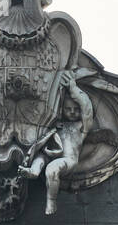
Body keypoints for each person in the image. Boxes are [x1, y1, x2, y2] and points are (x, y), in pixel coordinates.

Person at [18, 70, 95, 214]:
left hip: (67, 160)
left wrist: (74, 89)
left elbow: (87, 110)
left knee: (52, 168)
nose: (72, 112)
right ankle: (34, 171)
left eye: (75, 110)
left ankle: (51, 202)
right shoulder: (56, 125)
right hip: (51, 153)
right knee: (41, 156)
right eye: (68, 109)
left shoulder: (80, 127)